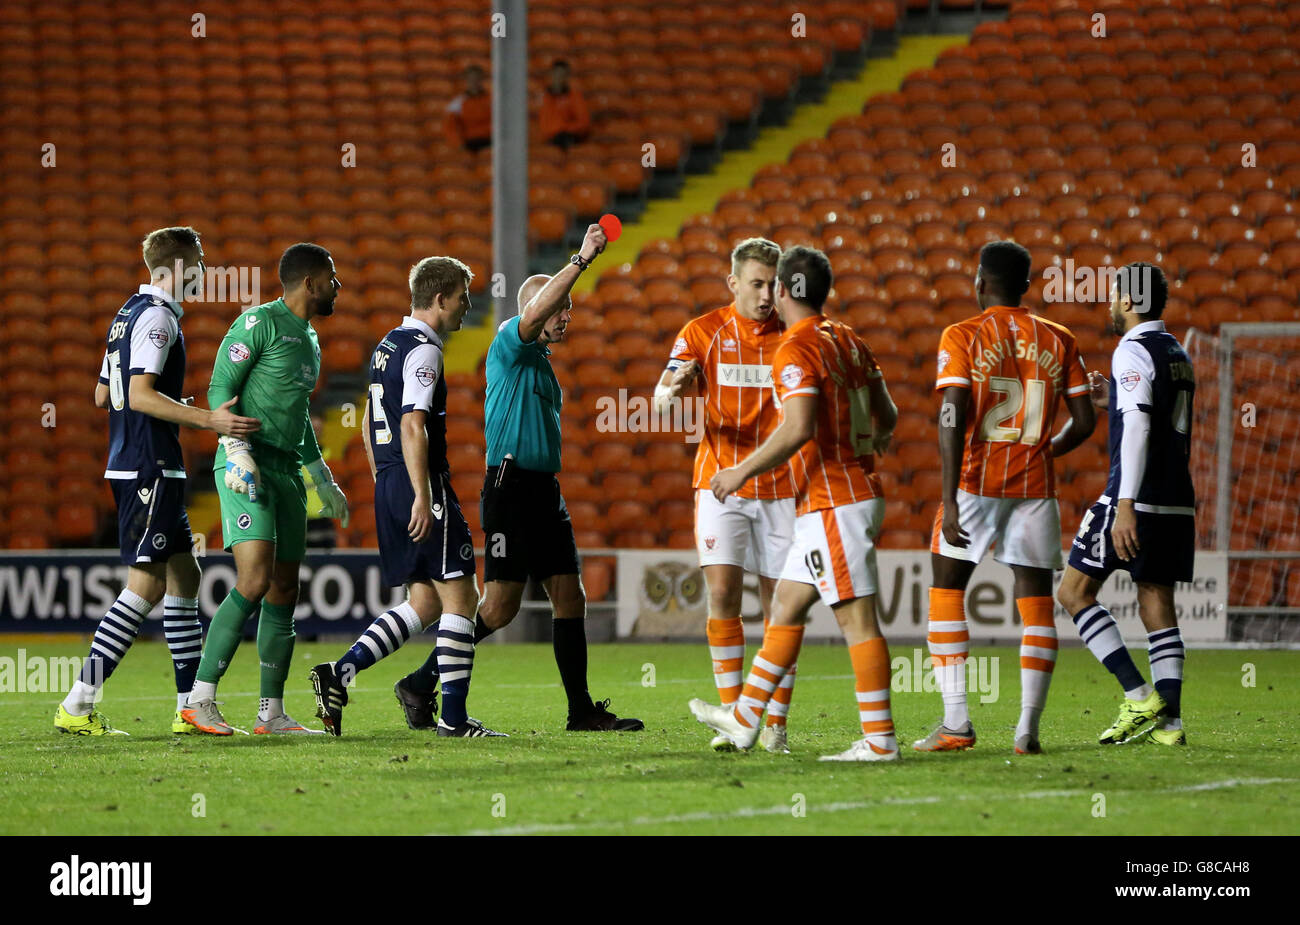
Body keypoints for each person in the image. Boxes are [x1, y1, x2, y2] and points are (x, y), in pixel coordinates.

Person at [397, 224, 643, 732]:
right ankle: (421, 682)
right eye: (559, 309)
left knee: (570, 595)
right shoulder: (509, 342)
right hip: (509, 490)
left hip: (544, 491)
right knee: (501, 607)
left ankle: (580, 712)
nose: (566, 316)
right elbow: (533, 313)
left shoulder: (543, 365)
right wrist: (582, 258)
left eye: (568, 310)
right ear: (535, 309)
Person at [689, 245, 903, 761]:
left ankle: (880, 741)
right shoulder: (849, 340)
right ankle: (744, 721)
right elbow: (888, 415)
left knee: (857, 621)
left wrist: (739, 470)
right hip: (831, 499)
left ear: (783, 290)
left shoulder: (794, 348)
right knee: (784, 607)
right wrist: (865, 447)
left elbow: (798, 426)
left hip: (833, 498)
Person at [55, 226, 260, 736]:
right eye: (201, 261)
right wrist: (206, 420)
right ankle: (77, 705)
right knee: (145, 585)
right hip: (148, 465)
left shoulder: (127, 314)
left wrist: (173, 410)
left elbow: (105, 396)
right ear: (179, 266)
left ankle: (188, 704)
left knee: (185, 576)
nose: (206, 270)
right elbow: (140, 395)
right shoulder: (159, 320)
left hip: (137, 460)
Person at [309, 257, 504, 738]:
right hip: (421, 484)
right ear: (440, 299)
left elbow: (368, 425)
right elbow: (413, 423)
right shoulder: (424, 349)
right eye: (462, 297)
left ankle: (341, 671)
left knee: (424, 601)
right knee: (462, 597)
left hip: (390, 481)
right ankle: (454, 721)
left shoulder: (385, 347)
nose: (467, 306)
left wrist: (388, 482)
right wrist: (422, 493)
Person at [915, 240, 1095, 756]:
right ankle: (1027, 731)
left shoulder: (964, 334)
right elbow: (1084, 421)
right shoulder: (1059, 337)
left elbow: (951, 414)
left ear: (979, 282)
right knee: (1036, 606)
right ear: (1027, 286)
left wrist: (949, 500)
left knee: (947, 589)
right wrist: (1045, 450)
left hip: (976, 483)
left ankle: (956, 724)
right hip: (1035, 488)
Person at [181, 243, 350, 736]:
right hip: (246, 466)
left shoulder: (311, 340)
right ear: (310, 283)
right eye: (332, 278)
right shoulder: (260, 324)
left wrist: (321, 477)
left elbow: (297, 419)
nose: (338, 287)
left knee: (284, 589)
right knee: (253, 580)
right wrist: (235, 451)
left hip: (285, 473)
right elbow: (219, 388)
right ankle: (200, 698)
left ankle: (270, 713)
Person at [654, 237, 798, 753]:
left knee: (780, 606)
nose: (765, 295)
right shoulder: (703, 332)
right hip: (719, 484)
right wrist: (675, 388)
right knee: (723, 596)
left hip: (782, 487)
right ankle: (737, 718)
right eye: (756, 284)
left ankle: (774, 723)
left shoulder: (794, 333)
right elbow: (661, 400)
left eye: (773, 285)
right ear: (733, 283)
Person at [1057, 263, 1192, 747]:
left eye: (1115, 295)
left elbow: (1137, 427)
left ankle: (1138, 697)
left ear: (1131, 301)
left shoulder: (1131, 349)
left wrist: (1127, 504)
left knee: (1073, 593)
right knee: (1156, 598)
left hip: (1134, 495)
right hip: (1177, 497)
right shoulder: (1177, 351)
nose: (1110, 304)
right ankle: (1170, 725)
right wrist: (1110, 399)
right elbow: (1145, 411)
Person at [539, 59, 591, 151]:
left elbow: (583, 122)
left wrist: (565, 130)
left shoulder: (574, 97)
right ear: (551, 74)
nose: (559, 78)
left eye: (562, 75)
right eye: (557, 74)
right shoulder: (544, 98)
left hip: (567, 141)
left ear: (567, 77)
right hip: (547, 142)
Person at [304, 411, 337, 549]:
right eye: (313, 429)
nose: (316, 432)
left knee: (328, 555)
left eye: (319, 429)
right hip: (304, 516)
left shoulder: (329, 454)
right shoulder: (296, 455)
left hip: (326, 516)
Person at [446, 63, 491, 153]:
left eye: (477, 79)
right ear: (466, 80)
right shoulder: (457, 103)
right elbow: (450, 127)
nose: (474, 82)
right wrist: (459, 145)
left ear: (482, 79)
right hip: (470, 144)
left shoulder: (493, 100)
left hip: (491, 142)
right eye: (471, 79)